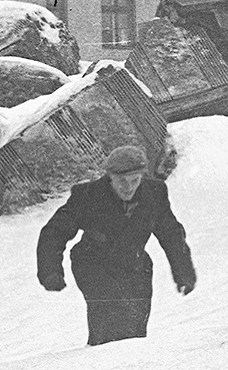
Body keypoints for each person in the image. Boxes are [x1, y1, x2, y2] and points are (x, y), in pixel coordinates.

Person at [36, 145, 196, 346]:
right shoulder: (87, 195)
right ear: (110, 177)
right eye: (122, 181)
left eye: (134, 180)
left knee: (135, 333)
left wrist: (184, 272)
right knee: (110, 320)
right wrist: (51, 272)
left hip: (135, 266)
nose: (128, 187)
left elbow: (171, 234)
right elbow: (54, 233)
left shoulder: (154, 193)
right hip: (93, 263)